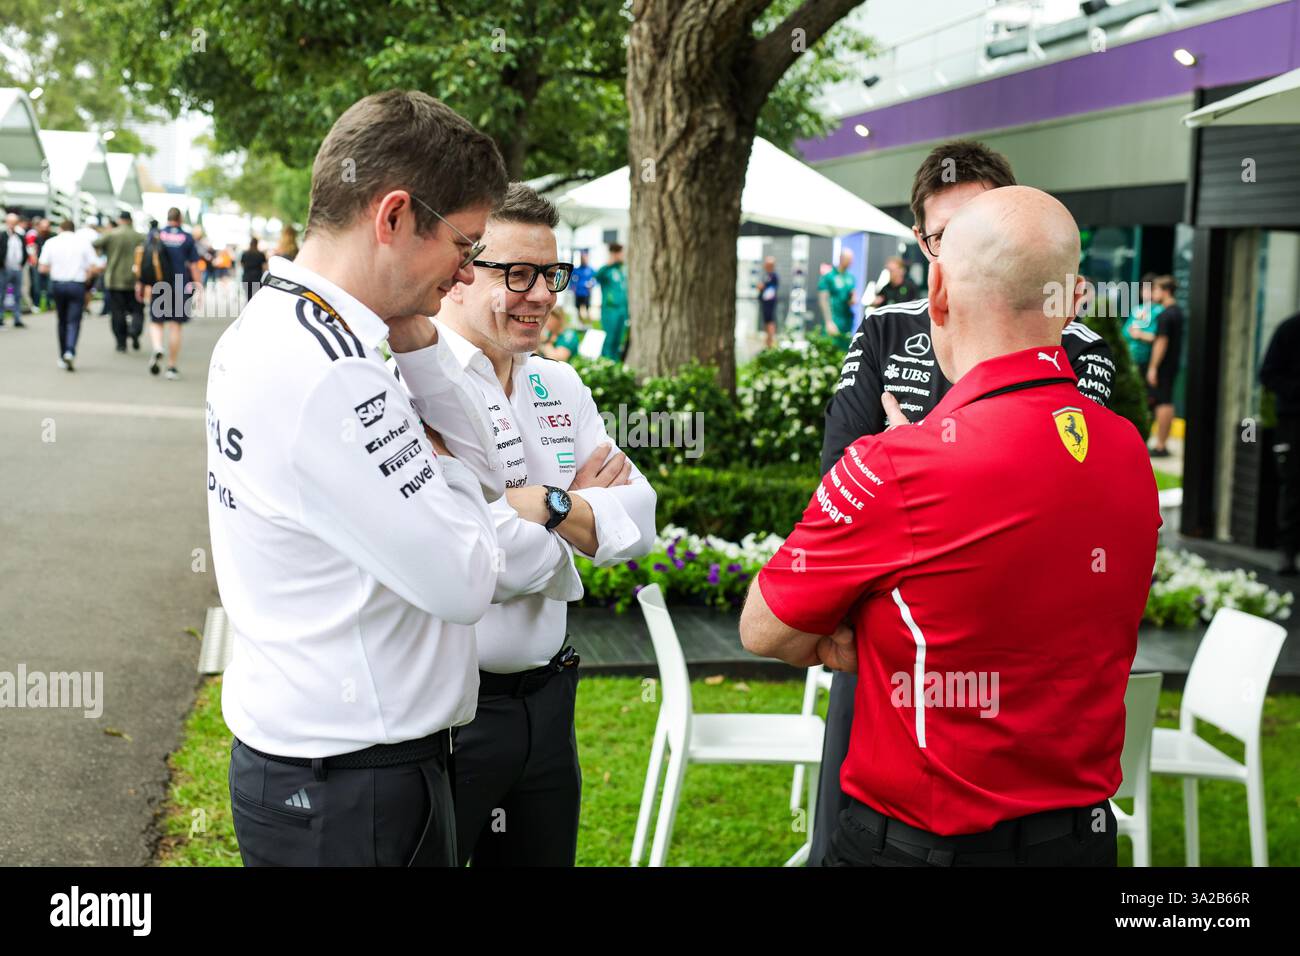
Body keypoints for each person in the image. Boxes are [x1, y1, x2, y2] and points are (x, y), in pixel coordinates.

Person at [740, 186, 1160, 867]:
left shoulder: (897, 465)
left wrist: (866, 632)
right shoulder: (1128, 453)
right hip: (1081, 841)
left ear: (937, 289)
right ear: (1074, 297)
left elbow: (765, 627)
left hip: (920, 846)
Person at [210, 88, 510, 868]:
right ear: (394, 216)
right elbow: (467, 579)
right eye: (467, 245)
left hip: (325, 770)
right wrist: (453, 475)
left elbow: (486, 473)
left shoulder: (286, 324)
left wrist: (419, 354)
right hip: (354, 788)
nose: (468, 274)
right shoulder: (331, 369)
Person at [812, 138, 1117, 868]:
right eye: (939, 237)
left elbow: (1062, 500)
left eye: (975, 228)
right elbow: (835, 487)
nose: (955, 253)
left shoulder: (1080, 347)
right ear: (920, 241)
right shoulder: (886, 327)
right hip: (887, 652)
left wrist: (911, 448)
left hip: (1020, 662)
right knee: (852, 840)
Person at [435, 182, 656, 866]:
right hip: (453, 718)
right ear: (459, 274)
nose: (543, 295)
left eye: (552, 274)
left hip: (549, 702)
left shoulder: (559, 384)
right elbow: (486, 565)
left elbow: (640, 520)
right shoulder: (420, 385)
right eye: (518, 274)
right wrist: (575, 511)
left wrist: (548, 504)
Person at [1261, 310, 1300, 576]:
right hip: (1294, 422)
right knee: (1294, 486)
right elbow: (1268, 374)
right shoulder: (1290, 329)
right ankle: (1288, 552)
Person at [37, 219, 99, 371]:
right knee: (74, 320)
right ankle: (70, 350)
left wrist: (57, 269)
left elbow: (42, 267)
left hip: (58, 284)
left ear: (60, 228)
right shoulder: (83, 243)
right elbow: (95, 265)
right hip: (77, 284)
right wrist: (88, 275)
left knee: (62, 320)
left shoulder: (51, 242)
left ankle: (62, 354)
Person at [149, 207, 199, 379]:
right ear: (180, 219)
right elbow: (193, 265)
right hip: (180, 284)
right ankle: (171, 366)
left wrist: (141, 285)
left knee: (157, 322)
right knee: (175, 326)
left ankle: (157, 347)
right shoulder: (187, 237)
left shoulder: (156, 234)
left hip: (159, 284)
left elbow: (147, 259)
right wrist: (198, 286)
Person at [94, 211, 145, 352]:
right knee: (137, 310)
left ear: (119, 219)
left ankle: (121, 342)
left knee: (117, 311)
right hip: (135, 280)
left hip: (115, 279)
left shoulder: (111, 234)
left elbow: (96, 243)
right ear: (130, 220)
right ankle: (134, 331)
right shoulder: (139, 236)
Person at [1147, 275, 1182, 458]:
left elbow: (1161, 341)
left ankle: (1160, 445)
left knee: (1163, 402)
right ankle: (1162, 443)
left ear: (1166, 291)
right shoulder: (1177, 312)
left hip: (1164, 366)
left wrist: (1153, 367)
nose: (1154, 293)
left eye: (1156, 289)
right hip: (1172, 365)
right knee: (1165, 401)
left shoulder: (1166, 314)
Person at [1121, 272, 1161, 369]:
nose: (1145, 292)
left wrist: (1140, 335)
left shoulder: (1160, 310)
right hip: (1130, 359)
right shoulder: (1137, 309)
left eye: (1149, 289)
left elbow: (1158, 337)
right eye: (1143, 289)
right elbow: (1125, 332)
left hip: (1147, 362)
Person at [596, 243, 627, 361]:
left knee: (619, 339)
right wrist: (610, 262)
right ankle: (606, 362)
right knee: (609, 338)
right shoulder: (607, 270)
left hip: (622, 309)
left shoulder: (622, 270)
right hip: (610, 309)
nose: (621, 255)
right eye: (619, 253)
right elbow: (597, 276)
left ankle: (615, 362)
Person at [818, 249, 855, 343]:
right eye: (849, 259)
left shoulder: (851, 277)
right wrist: (828, 321)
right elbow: (823, 299)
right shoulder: (829, 276)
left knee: (844, 352)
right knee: (830, 348)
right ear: (841, 259)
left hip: (846, 321)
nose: (851, 262)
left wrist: (853, 299)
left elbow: (852, 295)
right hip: (834, 319)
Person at [2, 212, 29, 329]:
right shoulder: (2, 235)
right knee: (1, 294)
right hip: (5, 268)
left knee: (17, 294)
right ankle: (0, 317)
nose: (12, 225)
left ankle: (17, 318)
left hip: (17, 268)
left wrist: (21, 264)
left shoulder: (20, 236)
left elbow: (24, 252)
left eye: (14, 223)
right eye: (10, 222)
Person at [758, 255, 780, 348]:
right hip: (765, 302)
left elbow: (771, 291)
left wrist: (763, 287)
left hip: (769, 302)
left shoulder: (773, 276)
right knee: (767, 321)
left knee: (770, 321)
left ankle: (770, 342)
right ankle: (768, 341)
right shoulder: (766, 275)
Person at [240, 236, 267, 304]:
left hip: (247, 277)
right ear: (257, 244)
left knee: (248, 297)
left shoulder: (245, 254)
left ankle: (248, 310)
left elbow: (241, 265)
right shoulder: (261, 254)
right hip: (257, 277)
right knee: (255, 298)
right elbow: (264, 267)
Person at [571, 250, 595, 322]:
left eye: (585, 258)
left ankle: (588, 322)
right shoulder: (576, 270)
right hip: (578, 292)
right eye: (582, 258)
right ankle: (580, 322)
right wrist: (573, 288)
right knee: (578, 308)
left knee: (587, 308)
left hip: (586, 293)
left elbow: (595, 279)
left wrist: (591, 285)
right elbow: (571, 280)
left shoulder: (590, 270)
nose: (584, 260)